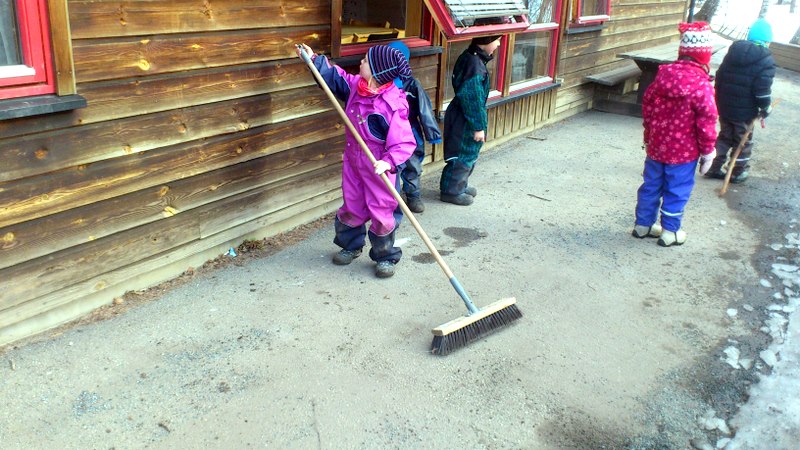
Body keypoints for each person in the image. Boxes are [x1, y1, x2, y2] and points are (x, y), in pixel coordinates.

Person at [295, 43, 416, 278]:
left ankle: (385, 255)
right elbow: (335, 77)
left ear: (378, 73)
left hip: (380, 167)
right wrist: (314, 60)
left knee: (382, 212)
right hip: (354, 161)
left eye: (366, 62)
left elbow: (404, 143)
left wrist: (389, 162)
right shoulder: (355, 87)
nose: (360, 63)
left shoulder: (392, 104)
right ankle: (351, 246)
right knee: (352, 206)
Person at [633, 22, 719, 247]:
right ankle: (670, 232)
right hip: (684, 153)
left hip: (656, 147)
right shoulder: (702, 86)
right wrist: (708, 151)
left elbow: (648, 105)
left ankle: (643, 226)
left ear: (682, 52)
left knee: (651, 185)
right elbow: (707, 121)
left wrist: (648, 133)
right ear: (704, 56)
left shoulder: (661, 78)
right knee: (677, 190)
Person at [706, 18, 776, 184]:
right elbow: (762, 90)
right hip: (745, 112)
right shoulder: (766, 61)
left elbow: (720, 77)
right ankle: (737, 172)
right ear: (767, 41)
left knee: (724, 137)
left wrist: (718, 99)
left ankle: (712, 167)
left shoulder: (733, 52)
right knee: (742, 141)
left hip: (725, 107)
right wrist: (766, 108)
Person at [439, 34, 502, 206]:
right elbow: (472, 98)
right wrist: (478, 127)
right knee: (462, 154)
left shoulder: (473, 58)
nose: (498, 44)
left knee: (469, 153)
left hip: (463, 113)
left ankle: (460, 184)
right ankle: (451, 191)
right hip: (465, 117)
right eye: (496, 40)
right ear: (486, 42)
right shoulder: (474, 65)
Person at [386, 41, 442, 214]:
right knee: (390, 165)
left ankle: (413, 194)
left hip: (410, 130)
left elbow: (424, 110)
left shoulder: (412, 84)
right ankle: (390, 199)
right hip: (387, 132)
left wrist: (432, 133)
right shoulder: (381, 83)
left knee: (413, 164)